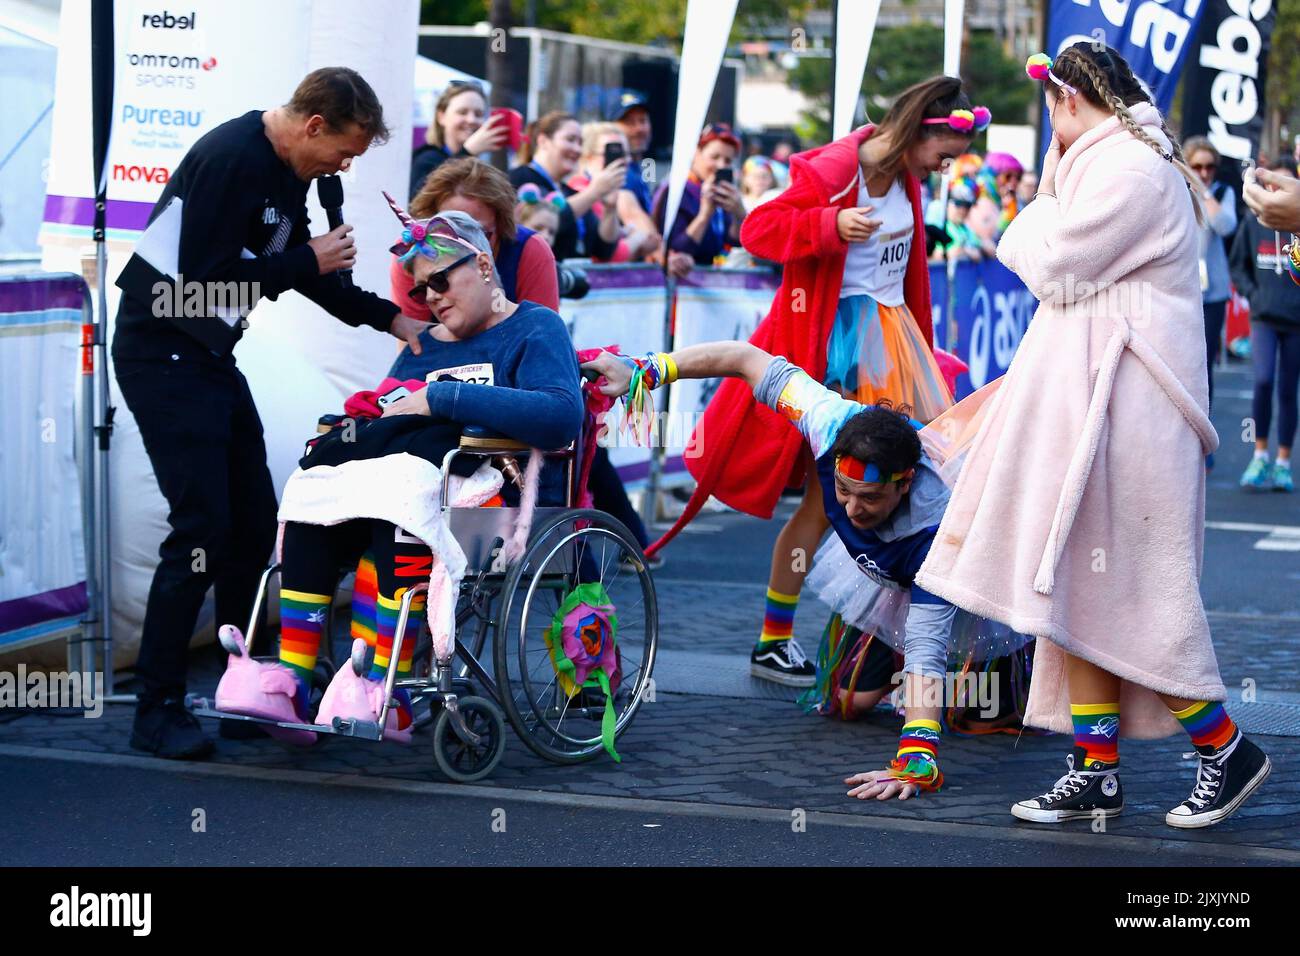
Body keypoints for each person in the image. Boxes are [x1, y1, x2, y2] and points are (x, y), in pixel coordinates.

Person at [917, 45, 1271, 829]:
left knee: (1142, 592)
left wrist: (1040, 201)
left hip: (1130, 415)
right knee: (1073, 585)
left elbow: (1052, 264)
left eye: (1051, 106)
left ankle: (1226, 749)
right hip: (1104, 410)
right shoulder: (1123, 160)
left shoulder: (1130, 169)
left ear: (1068, 99)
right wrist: (1052, 186)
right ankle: (1095, 769)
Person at [111, 67, 422, 759]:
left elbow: (302, 272)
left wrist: (395, 320)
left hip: (208, 358)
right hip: (161, 351)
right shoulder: (232, 158)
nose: (343, 166)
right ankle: (155, 708)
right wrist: (305, 260)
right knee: (201, 528)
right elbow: (196, 286)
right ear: (314, 125)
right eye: (343, 152)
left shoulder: (291, 172)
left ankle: (245, 687)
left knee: (254, 524)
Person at [647, 77, 985, 688]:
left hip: (894, 352)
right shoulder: (838, 167)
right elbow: (758, 232)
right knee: (829, 501)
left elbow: (905, 279)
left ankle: (881, 650)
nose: (945, 169)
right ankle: (779, 640)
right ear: (921, 131)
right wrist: (828, 226)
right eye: (946, 153)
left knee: (897, 497)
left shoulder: (906, 176)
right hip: (831, 354)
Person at [582, 343, 1026, 798]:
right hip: (883, 579)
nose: (852, 509)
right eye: (843, 491)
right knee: (850, 701)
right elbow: (745, 360)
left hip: (961, 580)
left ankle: (1014, 674)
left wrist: (917, 756)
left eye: (870, 498)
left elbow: (926, 644)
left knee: (978, 712)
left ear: (906, 481)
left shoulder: (938, 527)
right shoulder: (828, 420)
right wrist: (643, 370)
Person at [216, 209, 582, 741]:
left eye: (441, 281)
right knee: (314, 512)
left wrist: (442, 396)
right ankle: (293, 681)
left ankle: (388, 693)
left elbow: (560, 415)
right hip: (409, 488)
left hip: (494, 501)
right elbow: (385, 419)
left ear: (483, 265)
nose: (430, 297)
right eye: (421, 290)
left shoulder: (534, 326)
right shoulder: (424, 343)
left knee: (397, 520)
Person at [391, 158, 559, 326]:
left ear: (501, 225)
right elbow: (414, 344)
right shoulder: (411, 254)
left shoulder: (530, 251)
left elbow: (544, 337)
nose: (466, 247)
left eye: (479, 234)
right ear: (429, 226)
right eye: (453, 235)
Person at [1229, 155, 1300, 493]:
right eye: (1274, 183)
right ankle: (1259, 454)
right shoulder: (1255, 220)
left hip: (1296, 320)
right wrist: (1253, 295)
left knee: (1288, 391)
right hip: (1264, 317)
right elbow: (1238, 265)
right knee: (1262, 381)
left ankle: (1283, 462)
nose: (1278, 191)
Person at [510, 111, 623, 262]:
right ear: (543, 141)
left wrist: (610, 208)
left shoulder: (569, 191)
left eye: (580, 143)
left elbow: (604, 250)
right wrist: (594, 192)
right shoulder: (519, 178)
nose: (577, 149)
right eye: (570, 140)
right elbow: (547, 221)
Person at [1184, 136, 1238, 417]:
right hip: (1179, 289)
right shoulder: (1177, 189)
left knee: (1204, 367)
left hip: (1212, 293)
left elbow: (1226, 225)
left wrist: (1204, 192)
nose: (1204, 172)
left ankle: (1205, 444)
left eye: (1209, 167)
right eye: (1197, 166)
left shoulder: (1222, 192)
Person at [652, 123, 748, 267]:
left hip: (704, 282)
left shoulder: (715, 191)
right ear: (696, 154)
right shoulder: (676, 190)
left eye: (727, 161)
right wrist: (705, 215)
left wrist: (738, 213)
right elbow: (676, 251)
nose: (721, 165)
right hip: (675, 283)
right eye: (714, 157)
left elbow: (734, 241)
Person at [567, 122, 659, 261]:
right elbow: (611, 255)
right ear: (588, 156)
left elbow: (609, 249)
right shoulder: (578, 193)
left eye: (624, 153)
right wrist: (638, 238)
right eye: (612, 153)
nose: (621, 161)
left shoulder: (614, 193)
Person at [409, 80, 508, 200]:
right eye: (462, 112)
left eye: (478, 114)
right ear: (441, 116)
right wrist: (467, 152)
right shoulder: (427, 158)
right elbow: (419, 200)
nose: (471, 119)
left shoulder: (480, 167)